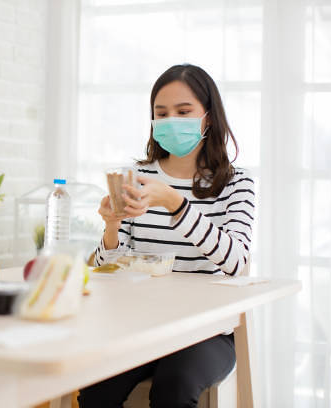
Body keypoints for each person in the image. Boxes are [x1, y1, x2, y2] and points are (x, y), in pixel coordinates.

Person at [79, 64, 255, 407]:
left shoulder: (237, 183)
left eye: (183, 111)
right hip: (140, 326)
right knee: (96, 388)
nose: (172, 120)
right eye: (162, 113)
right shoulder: (136, 177)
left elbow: (235, 261)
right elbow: (106, 268)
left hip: (207, 333)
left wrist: (175, 203)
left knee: (173, 387)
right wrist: (111, 227)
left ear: (208, 117)